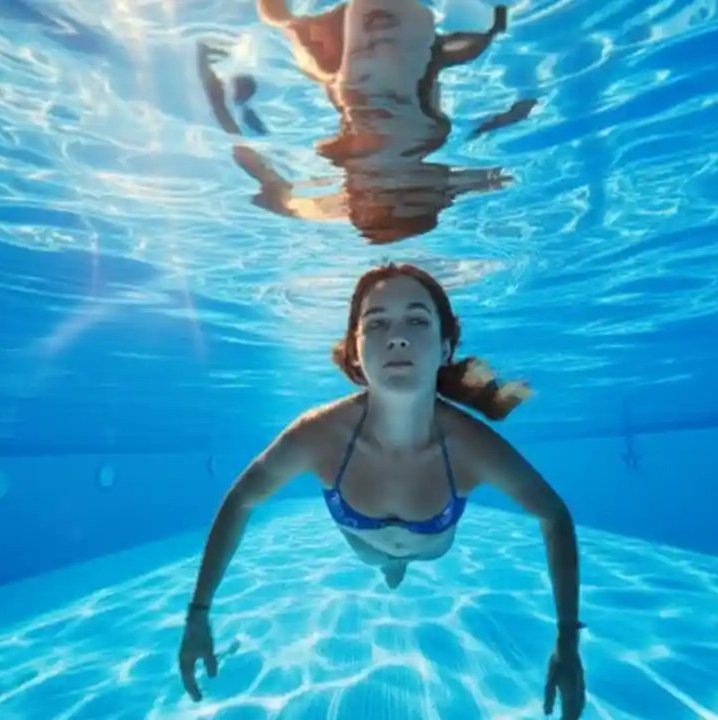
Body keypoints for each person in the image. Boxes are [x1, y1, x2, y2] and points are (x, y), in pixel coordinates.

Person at [176, 263, 586, 718]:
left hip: (432, 546)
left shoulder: (471, 447)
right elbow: (241, 500)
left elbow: (553, 514)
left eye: (416, 320)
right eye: (376, 324)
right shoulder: (318, 435)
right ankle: (393, 568)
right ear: (355, 349)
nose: (397, 337)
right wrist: (198, 614)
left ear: (445, 347)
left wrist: (568, 639)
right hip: (365, 547)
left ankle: (398, 566)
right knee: (385, 562)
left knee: (400, 560)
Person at [195, 0, 538, 243]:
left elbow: (268, 179)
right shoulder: (472, 34)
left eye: (365, 187)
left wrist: (211, 91)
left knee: (285, 22)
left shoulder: (316, 46)